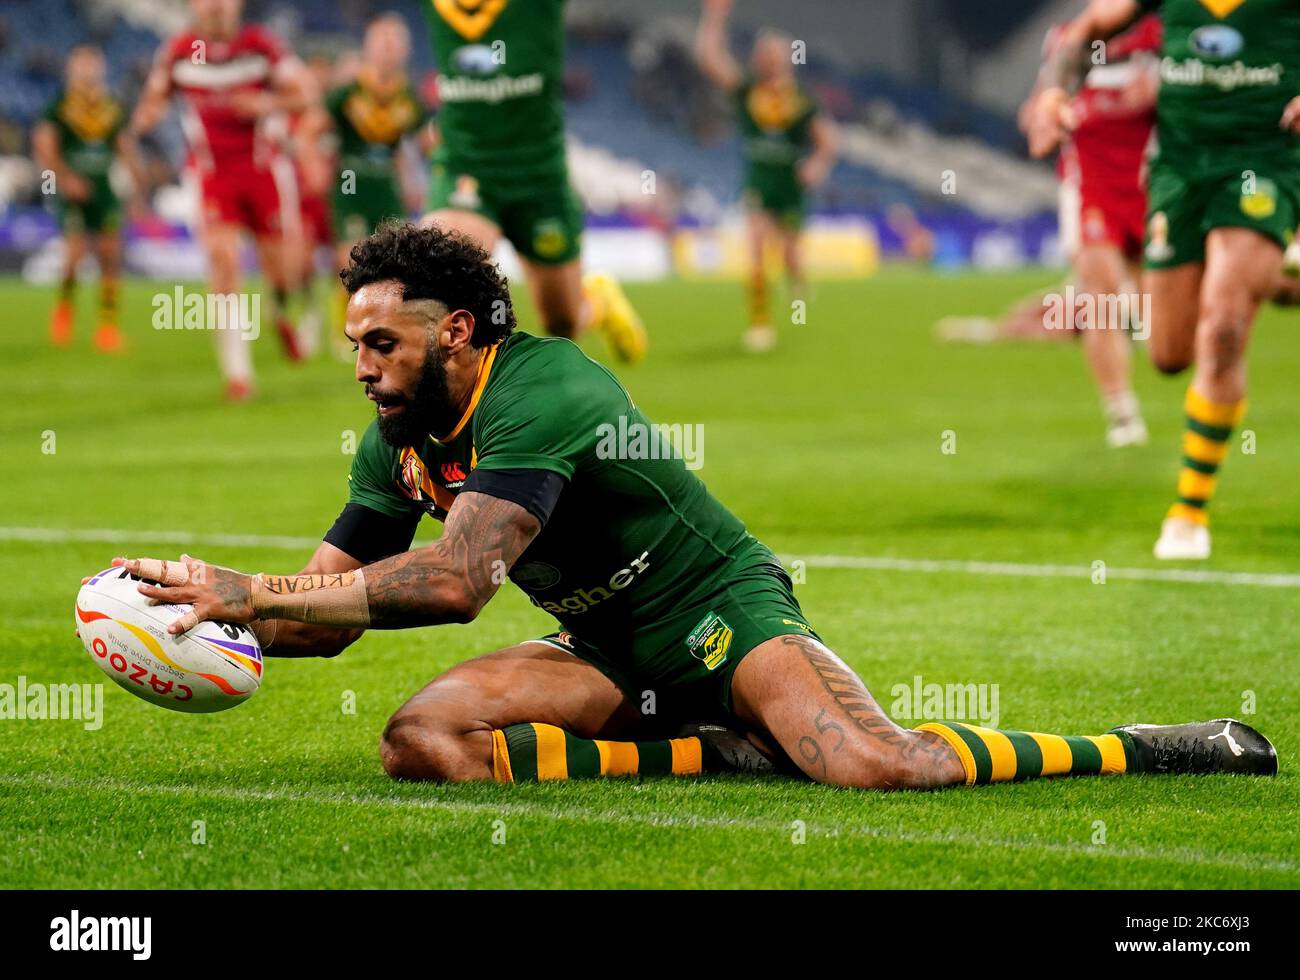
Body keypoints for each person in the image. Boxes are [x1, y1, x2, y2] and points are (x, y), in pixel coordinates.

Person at [110, 223, 1276, 789]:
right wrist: (193, 619)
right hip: (608, 642)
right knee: (424, 740)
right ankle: (716, 753)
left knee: (877, 768)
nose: (359, 361)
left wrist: (244, 592)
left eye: (380, 339)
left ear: (456, 330)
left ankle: (1145, 746)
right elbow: (328, 601)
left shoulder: (547, 387)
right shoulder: (397, 437)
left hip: (719, 608)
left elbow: (459, 583)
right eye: (352, 341)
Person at [1030, 0, 1300, 559]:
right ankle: (1283, 277)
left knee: (1224, 324)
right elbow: (1087, 29)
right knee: (1170, 352)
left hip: (1265, 160)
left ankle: (1188, 512)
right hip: (1178, 170)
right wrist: (1055, 92)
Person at [418, 0, 646, 362]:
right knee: (444, 275)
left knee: (563, 323)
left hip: (538, 172)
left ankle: (598, 303)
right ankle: (469, 403)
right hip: (468, 165)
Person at [132, 0, 317, 400]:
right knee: (223, 264)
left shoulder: (261, 46)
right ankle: (238, 375)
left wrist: (267, 104)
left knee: (282, 269)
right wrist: (145, 116)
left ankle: (280, 310)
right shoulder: (179, 50)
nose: (215, 6)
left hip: (263, 171)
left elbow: (306, 94)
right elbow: (155, 96)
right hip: (212, 175)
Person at [695, 0, 838, 353]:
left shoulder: (802, 101)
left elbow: (828, 140)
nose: (769, 59)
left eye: (775, 54)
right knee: (757, 248)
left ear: (787, 58)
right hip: (760, 181)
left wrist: (817, 163)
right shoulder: (748, 92)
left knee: (790, 254)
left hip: (790, 185)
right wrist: (715, 15)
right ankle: (760, 323)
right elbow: (710, 58)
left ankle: (797, 284)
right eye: (764, 53)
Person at [296, 15, 433, 356]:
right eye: (381, 42)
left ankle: (383, 329)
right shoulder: (349, 92)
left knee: (393, 266)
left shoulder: (409, 97)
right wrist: (312, 166)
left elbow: (418, 144)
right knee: (351, 261)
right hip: (350, 183)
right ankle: (345, 329)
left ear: (405, 49)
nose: (388, 50)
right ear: (369, 48)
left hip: (385, 183)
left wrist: (419, 177)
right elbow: (310, 129)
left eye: (394, 42)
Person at [35, 45, 147, 353]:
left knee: (111, 257)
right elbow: (45, 150)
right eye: (81, 66)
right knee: (74, 257)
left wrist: (138, 190)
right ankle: (63, 314)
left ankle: (107, 328)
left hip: (105, 190)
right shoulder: (57, 108)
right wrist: (62, 181)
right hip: (72, 192)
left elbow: (126, 149)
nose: (87, 72)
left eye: (92, 65)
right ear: (70, 69)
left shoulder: (112, 107)